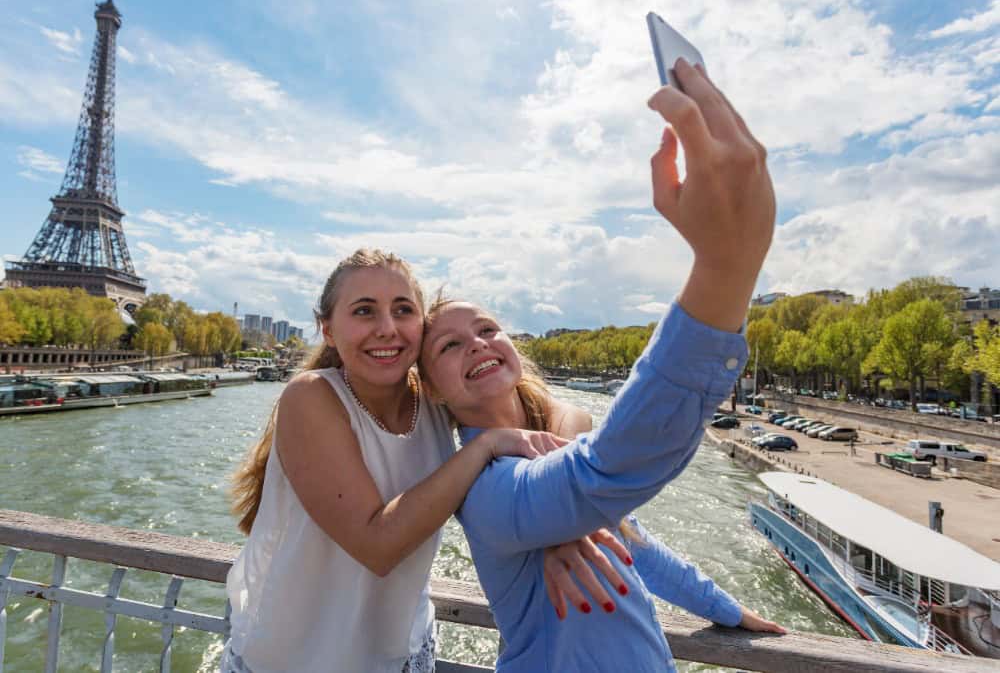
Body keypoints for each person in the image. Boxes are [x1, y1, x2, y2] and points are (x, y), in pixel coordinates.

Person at [417, 59, 780, 672]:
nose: (476, 344)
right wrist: (725, 268)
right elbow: (610, 468)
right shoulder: (486, 492)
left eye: (486, 329)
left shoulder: (549, 469)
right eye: (449, 347)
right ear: (432, 391)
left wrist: (724, 608)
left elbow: (635, 544)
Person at [221, 249, 632, 673]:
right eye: (364, 311)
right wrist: (485, 447)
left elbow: (564, 413)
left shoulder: (433, 397)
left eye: (403, 310)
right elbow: (377, 547)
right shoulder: (311, 396)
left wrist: (565, 521)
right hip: (291, 661)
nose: (387, 328)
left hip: (406, 654)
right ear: (327, 329)